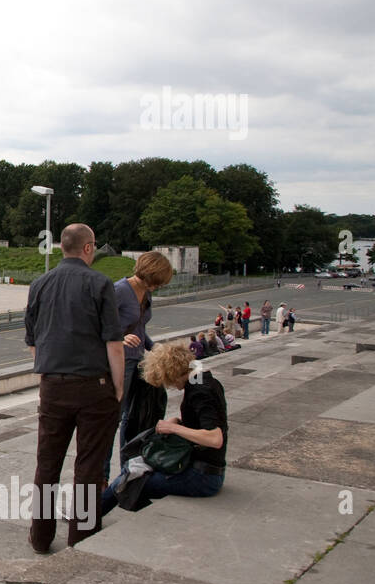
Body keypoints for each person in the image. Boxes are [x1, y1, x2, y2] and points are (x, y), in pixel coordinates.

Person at [23, 223, 124, 552]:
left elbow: (33, 343)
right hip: (94, 388)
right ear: (88, 248)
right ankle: (80, 538)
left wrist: (48, 377)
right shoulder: (100, 283)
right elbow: (114, 344)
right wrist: (118, 388)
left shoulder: (39, 284)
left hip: (52, 387)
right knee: (89, 467)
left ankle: (40, 538)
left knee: (47, 464)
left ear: (62, 248)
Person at [102, 343, 227, 514]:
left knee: (130, 479)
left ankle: (87, 516)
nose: (169, 385)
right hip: (204, 468)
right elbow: (207, 421)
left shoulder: (200, 391)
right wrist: (179, 422)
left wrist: (173, 428)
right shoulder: (203, 380)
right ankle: (93, 512)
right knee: (133, 470)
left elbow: (215, 438)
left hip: (203, 477)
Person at [110, 250, 174, 478]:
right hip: (119, 361)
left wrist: (154, 348)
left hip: (139, 360)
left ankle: (128, 467)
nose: (156, 287)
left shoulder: (146, 293)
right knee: (113, 418)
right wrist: (119, 336)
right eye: (156, 282)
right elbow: (97, 324)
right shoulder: (118, 291)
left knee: (135, 415)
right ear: (147, 274)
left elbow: (139, 328)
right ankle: (102, 478)